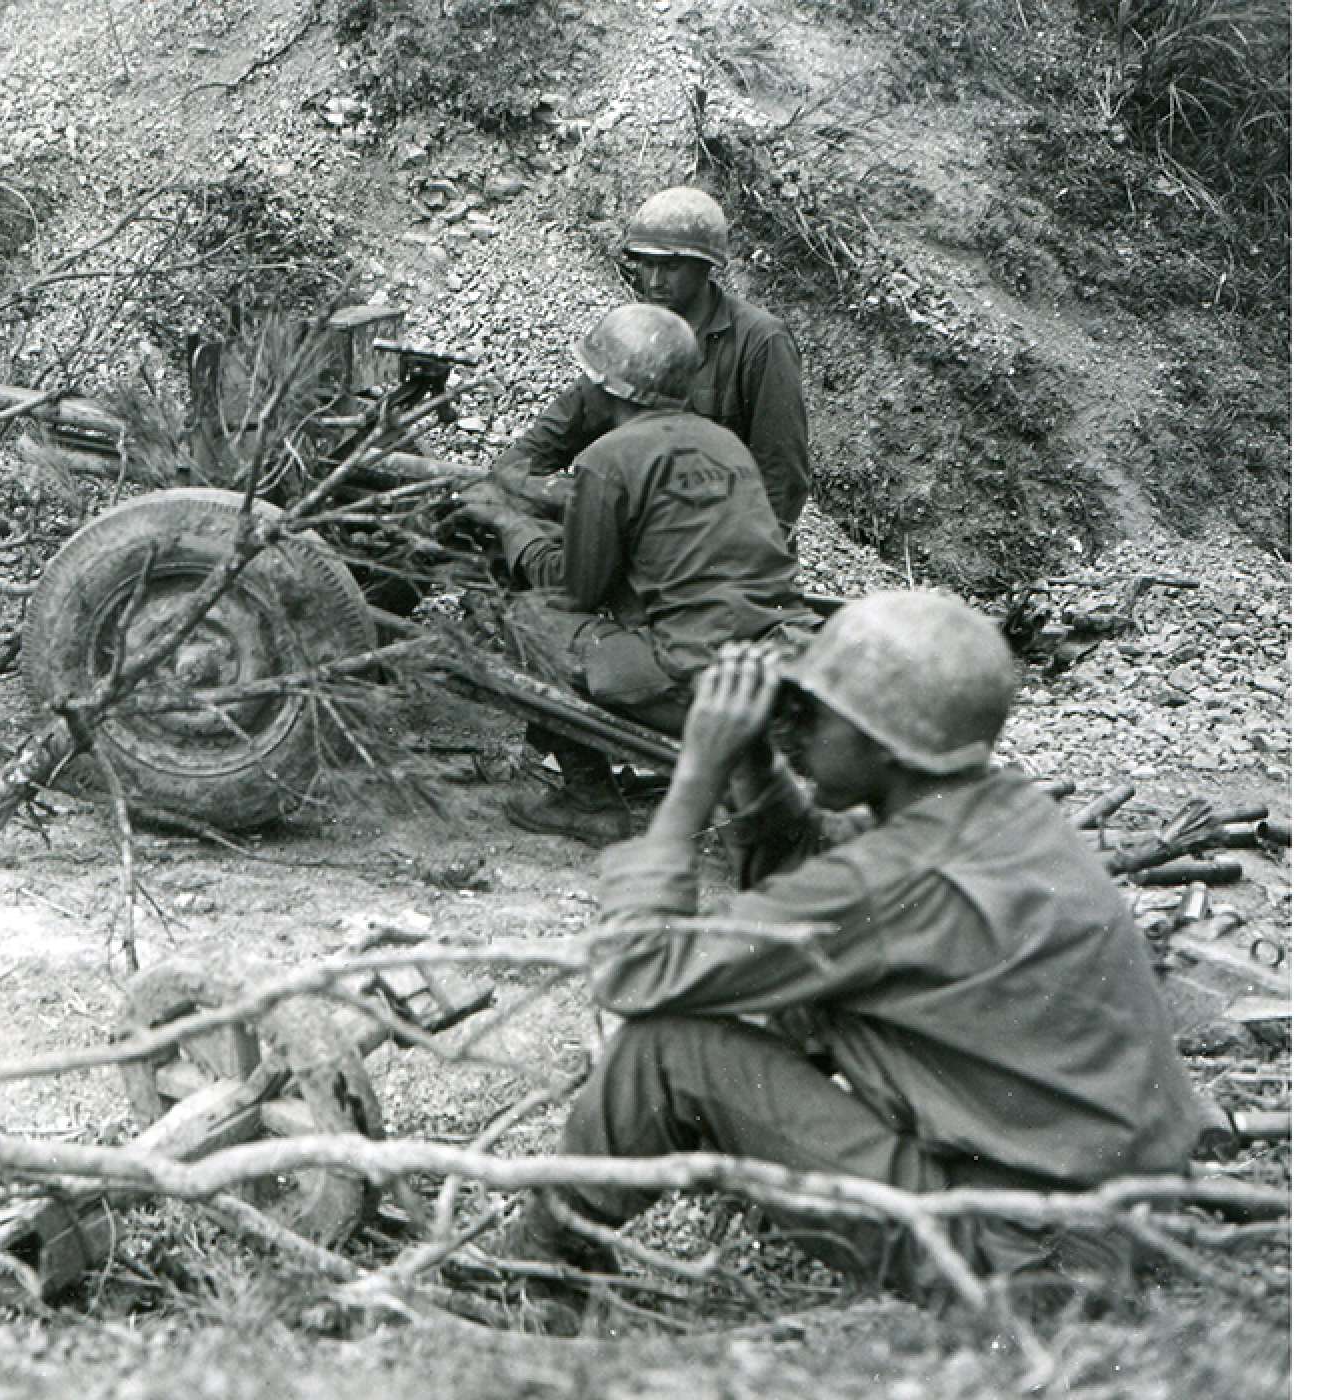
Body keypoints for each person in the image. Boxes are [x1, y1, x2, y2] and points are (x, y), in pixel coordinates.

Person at [495, 592, 1207, 1307]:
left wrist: (694, 780)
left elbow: (635, 969)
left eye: (815, 715)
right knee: (787, 1014)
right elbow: (827, 885)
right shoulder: (1000, 814)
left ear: (883, 742)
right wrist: (757, 765)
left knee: (667, 1052)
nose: (796, 729)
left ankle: (542, 1278)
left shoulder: (899, 877)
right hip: (1116, 1222)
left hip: (1020, 1260)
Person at [452, 302, 816, 848]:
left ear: (610, 388)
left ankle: (589, 798)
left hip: (693, 670)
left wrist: (510, 523)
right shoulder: (725, 444)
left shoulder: (608, 456)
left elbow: (573, 590)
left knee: (525, 617)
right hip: (775, 649)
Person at [490, 186, 810, 543]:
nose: (655, 281)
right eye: (646, 264)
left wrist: (749, 557)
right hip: (650, 528)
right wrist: (505, 483)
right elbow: (566, 423)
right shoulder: (632, 335)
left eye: (671, 267)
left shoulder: (760, 341)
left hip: (721, 535)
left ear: (705, 267)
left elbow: (781, 473)